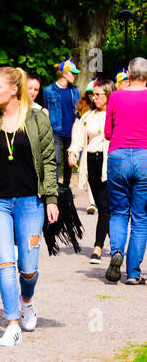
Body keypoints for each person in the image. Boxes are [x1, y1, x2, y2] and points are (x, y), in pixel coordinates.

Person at [0, 66, 59, 347]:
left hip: (29, 202)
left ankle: (27, 301)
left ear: (13, 89)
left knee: (28, 268)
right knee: (5, 263)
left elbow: (48, 159)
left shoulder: (36, 119)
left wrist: (52, 199)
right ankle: (12, 324)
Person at [104, 56, 147, 285]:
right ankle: (133, 273)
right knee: (140, 217)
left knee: (119, 211)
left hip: (118, 156)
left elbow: (108, 132)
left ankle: (116, 252)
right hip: (145, 158)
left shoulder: (115, 96)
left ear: (128, 75)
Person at [69, 80, 111, 258]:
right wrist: (73, 152)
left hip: (108, 163)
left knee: (107, 207)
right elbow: (78, 136)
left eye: (98, 94)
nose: (94, 98)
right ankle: (116, 245)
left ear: (108, 95)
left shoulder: (113, 115)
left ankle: (98, 247)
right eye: (93, 94)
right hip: (91, 162)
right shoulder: (88, 116)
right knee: (103, 206)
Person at [44, 59, 81, 185]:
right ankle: (53, 187)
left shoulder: (74, 91)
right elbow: (45, 110)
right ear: (65, 73)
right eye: (73, 73)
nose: (75, 76)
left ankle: (66, 186)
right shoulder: (48, 91)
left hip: (71, 130)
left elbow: (78, 110)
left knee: (69, 160)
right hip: (55, 130)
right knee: (56, 159)